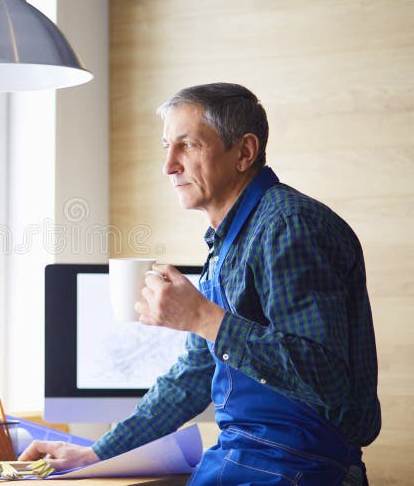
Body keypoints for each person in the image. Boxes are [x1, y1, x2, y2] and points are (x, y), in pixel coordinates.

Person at [19, 83, 381, 484]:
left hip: (297, 468)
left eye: (187, 145)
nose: (169, 166)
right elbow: (191, 377)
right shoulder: (229, 241)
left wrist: (205, 318)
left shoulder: (288, 227)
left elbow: (326, 377)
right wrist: (97, 452)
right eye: (166, 147)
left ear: (244, 152)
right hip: (247, 458)